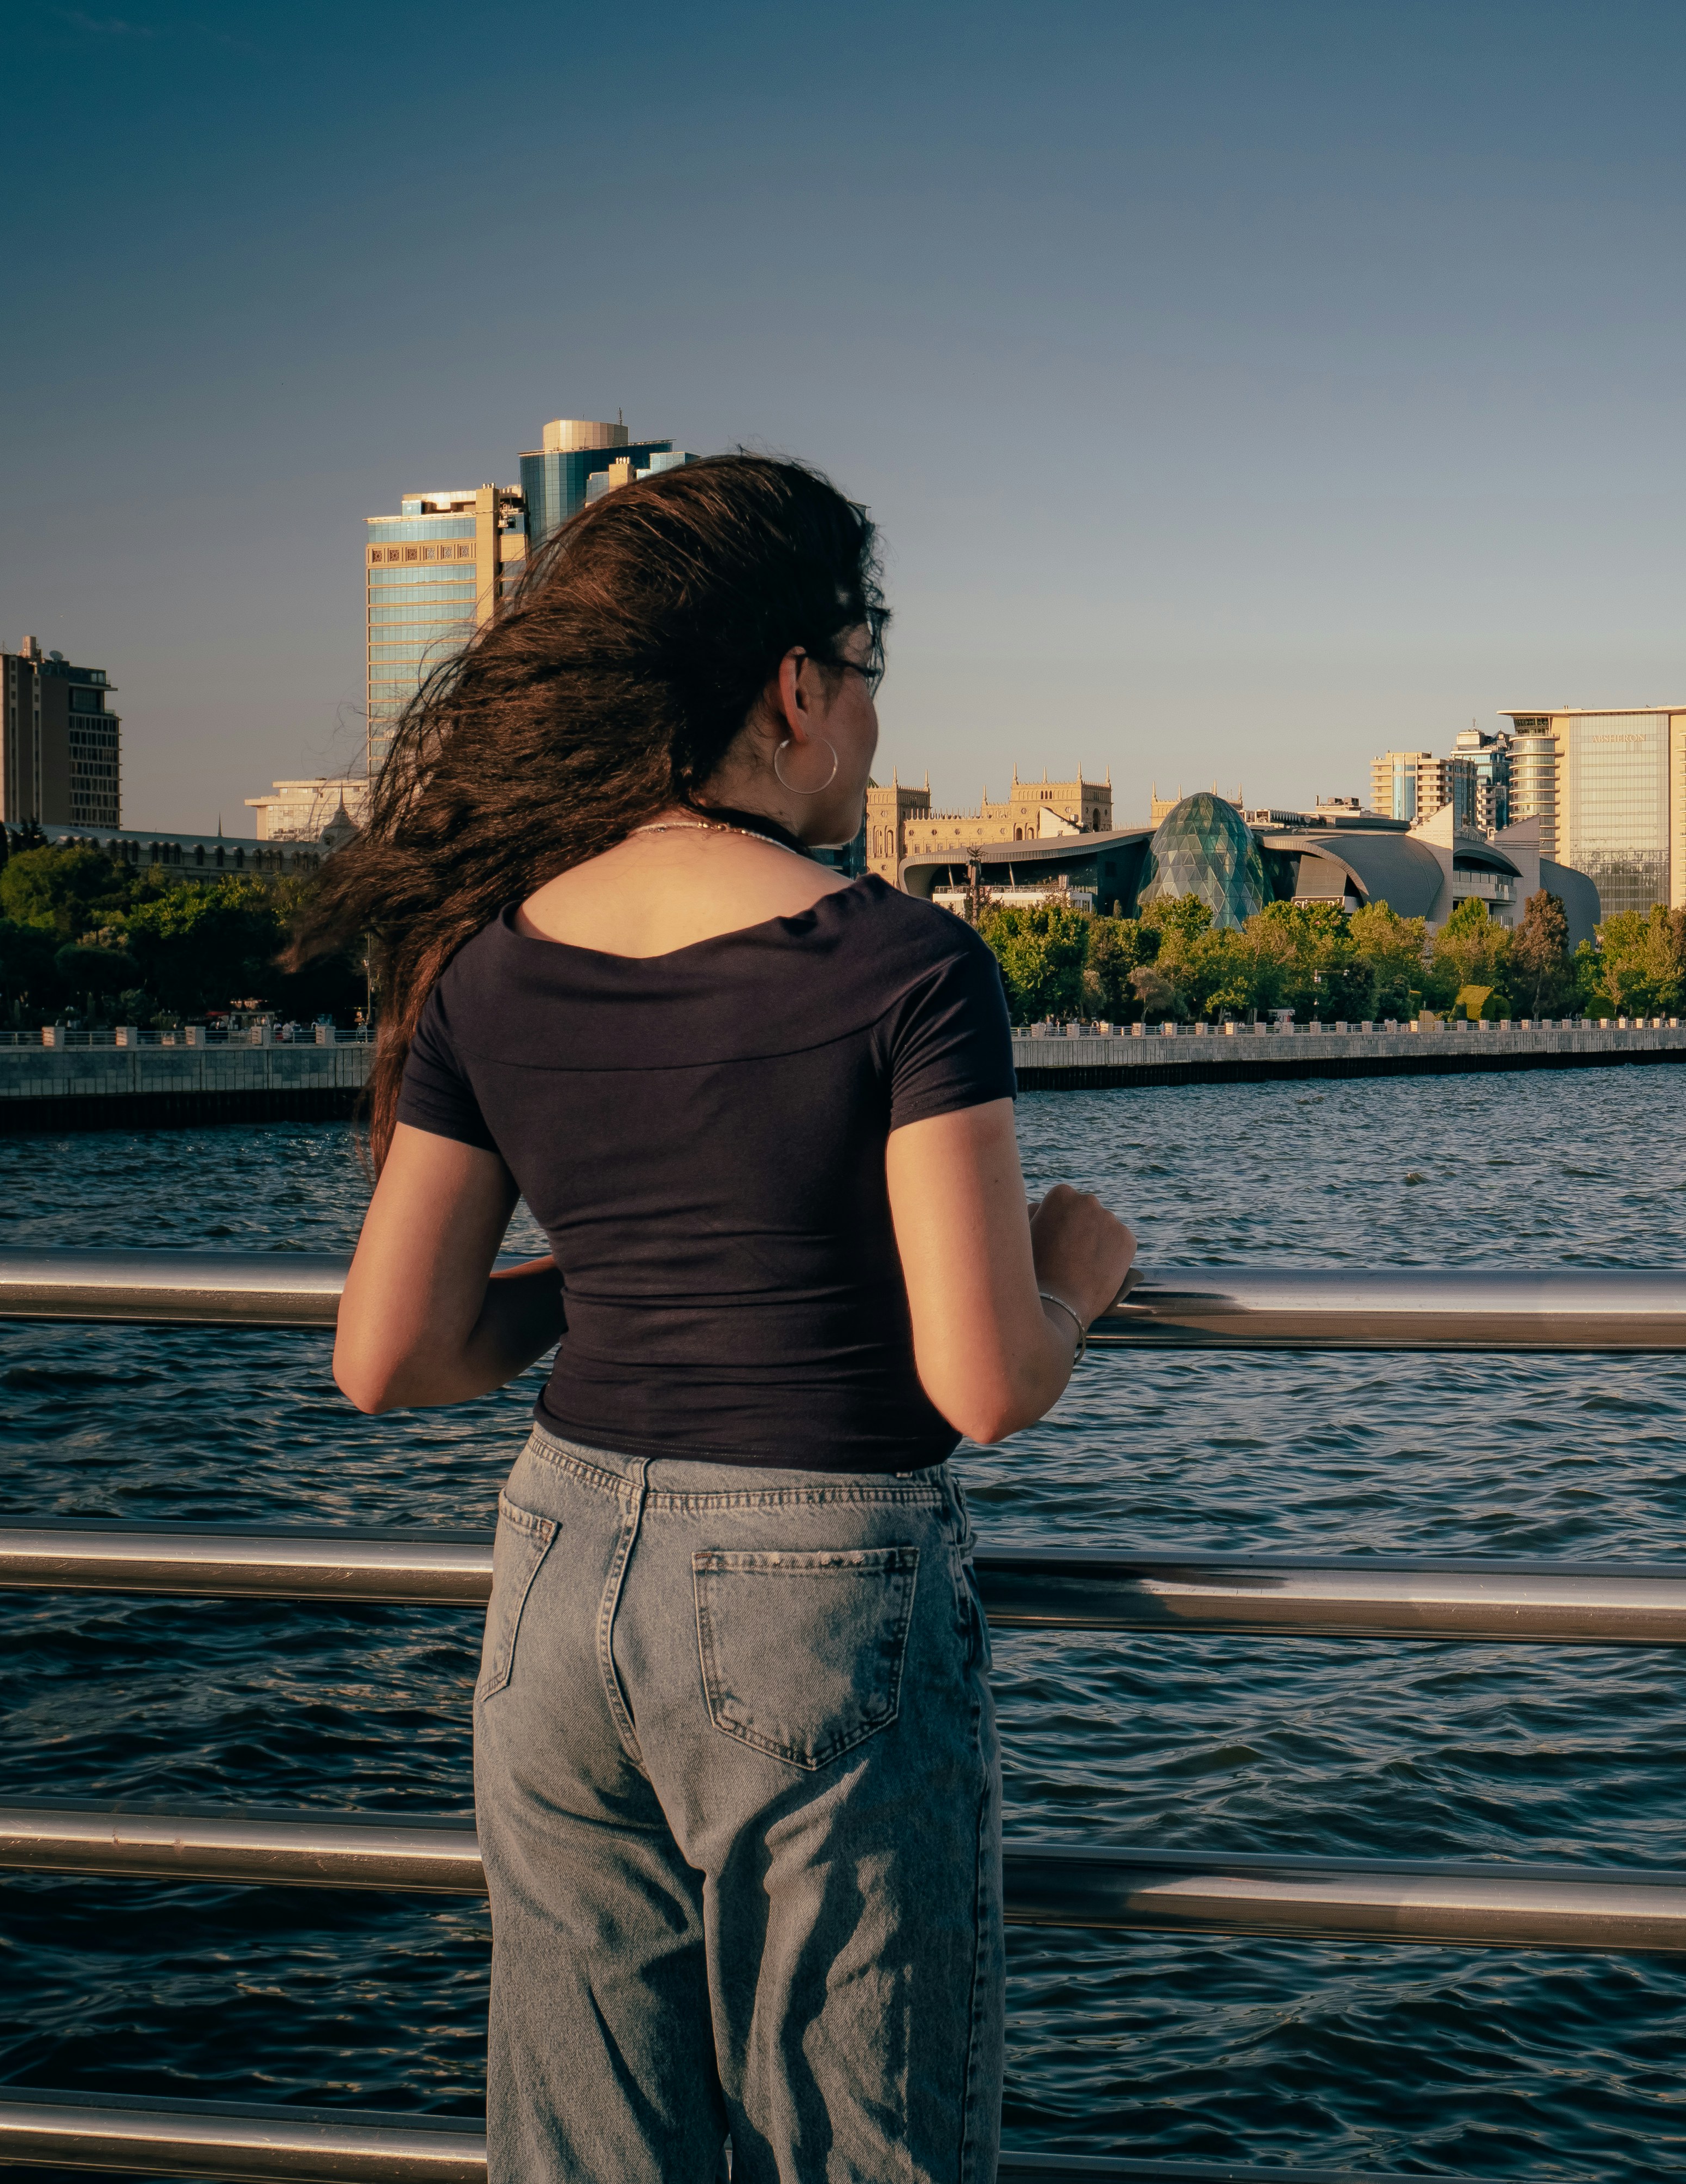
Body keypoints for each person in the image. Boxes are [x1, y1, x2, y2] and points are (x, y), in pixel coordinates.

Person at [298, 454, 1137, 2184]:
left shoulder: (490, 960)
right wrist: (1075, 1274)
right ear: (795, 686)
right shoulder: (903, 967)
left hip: (554, 1577)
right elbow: (983, 1381)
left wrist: (610, 1280)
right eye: (872, 674)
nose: (879, 729)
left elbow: (389, 1356)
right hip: (816, 1588)